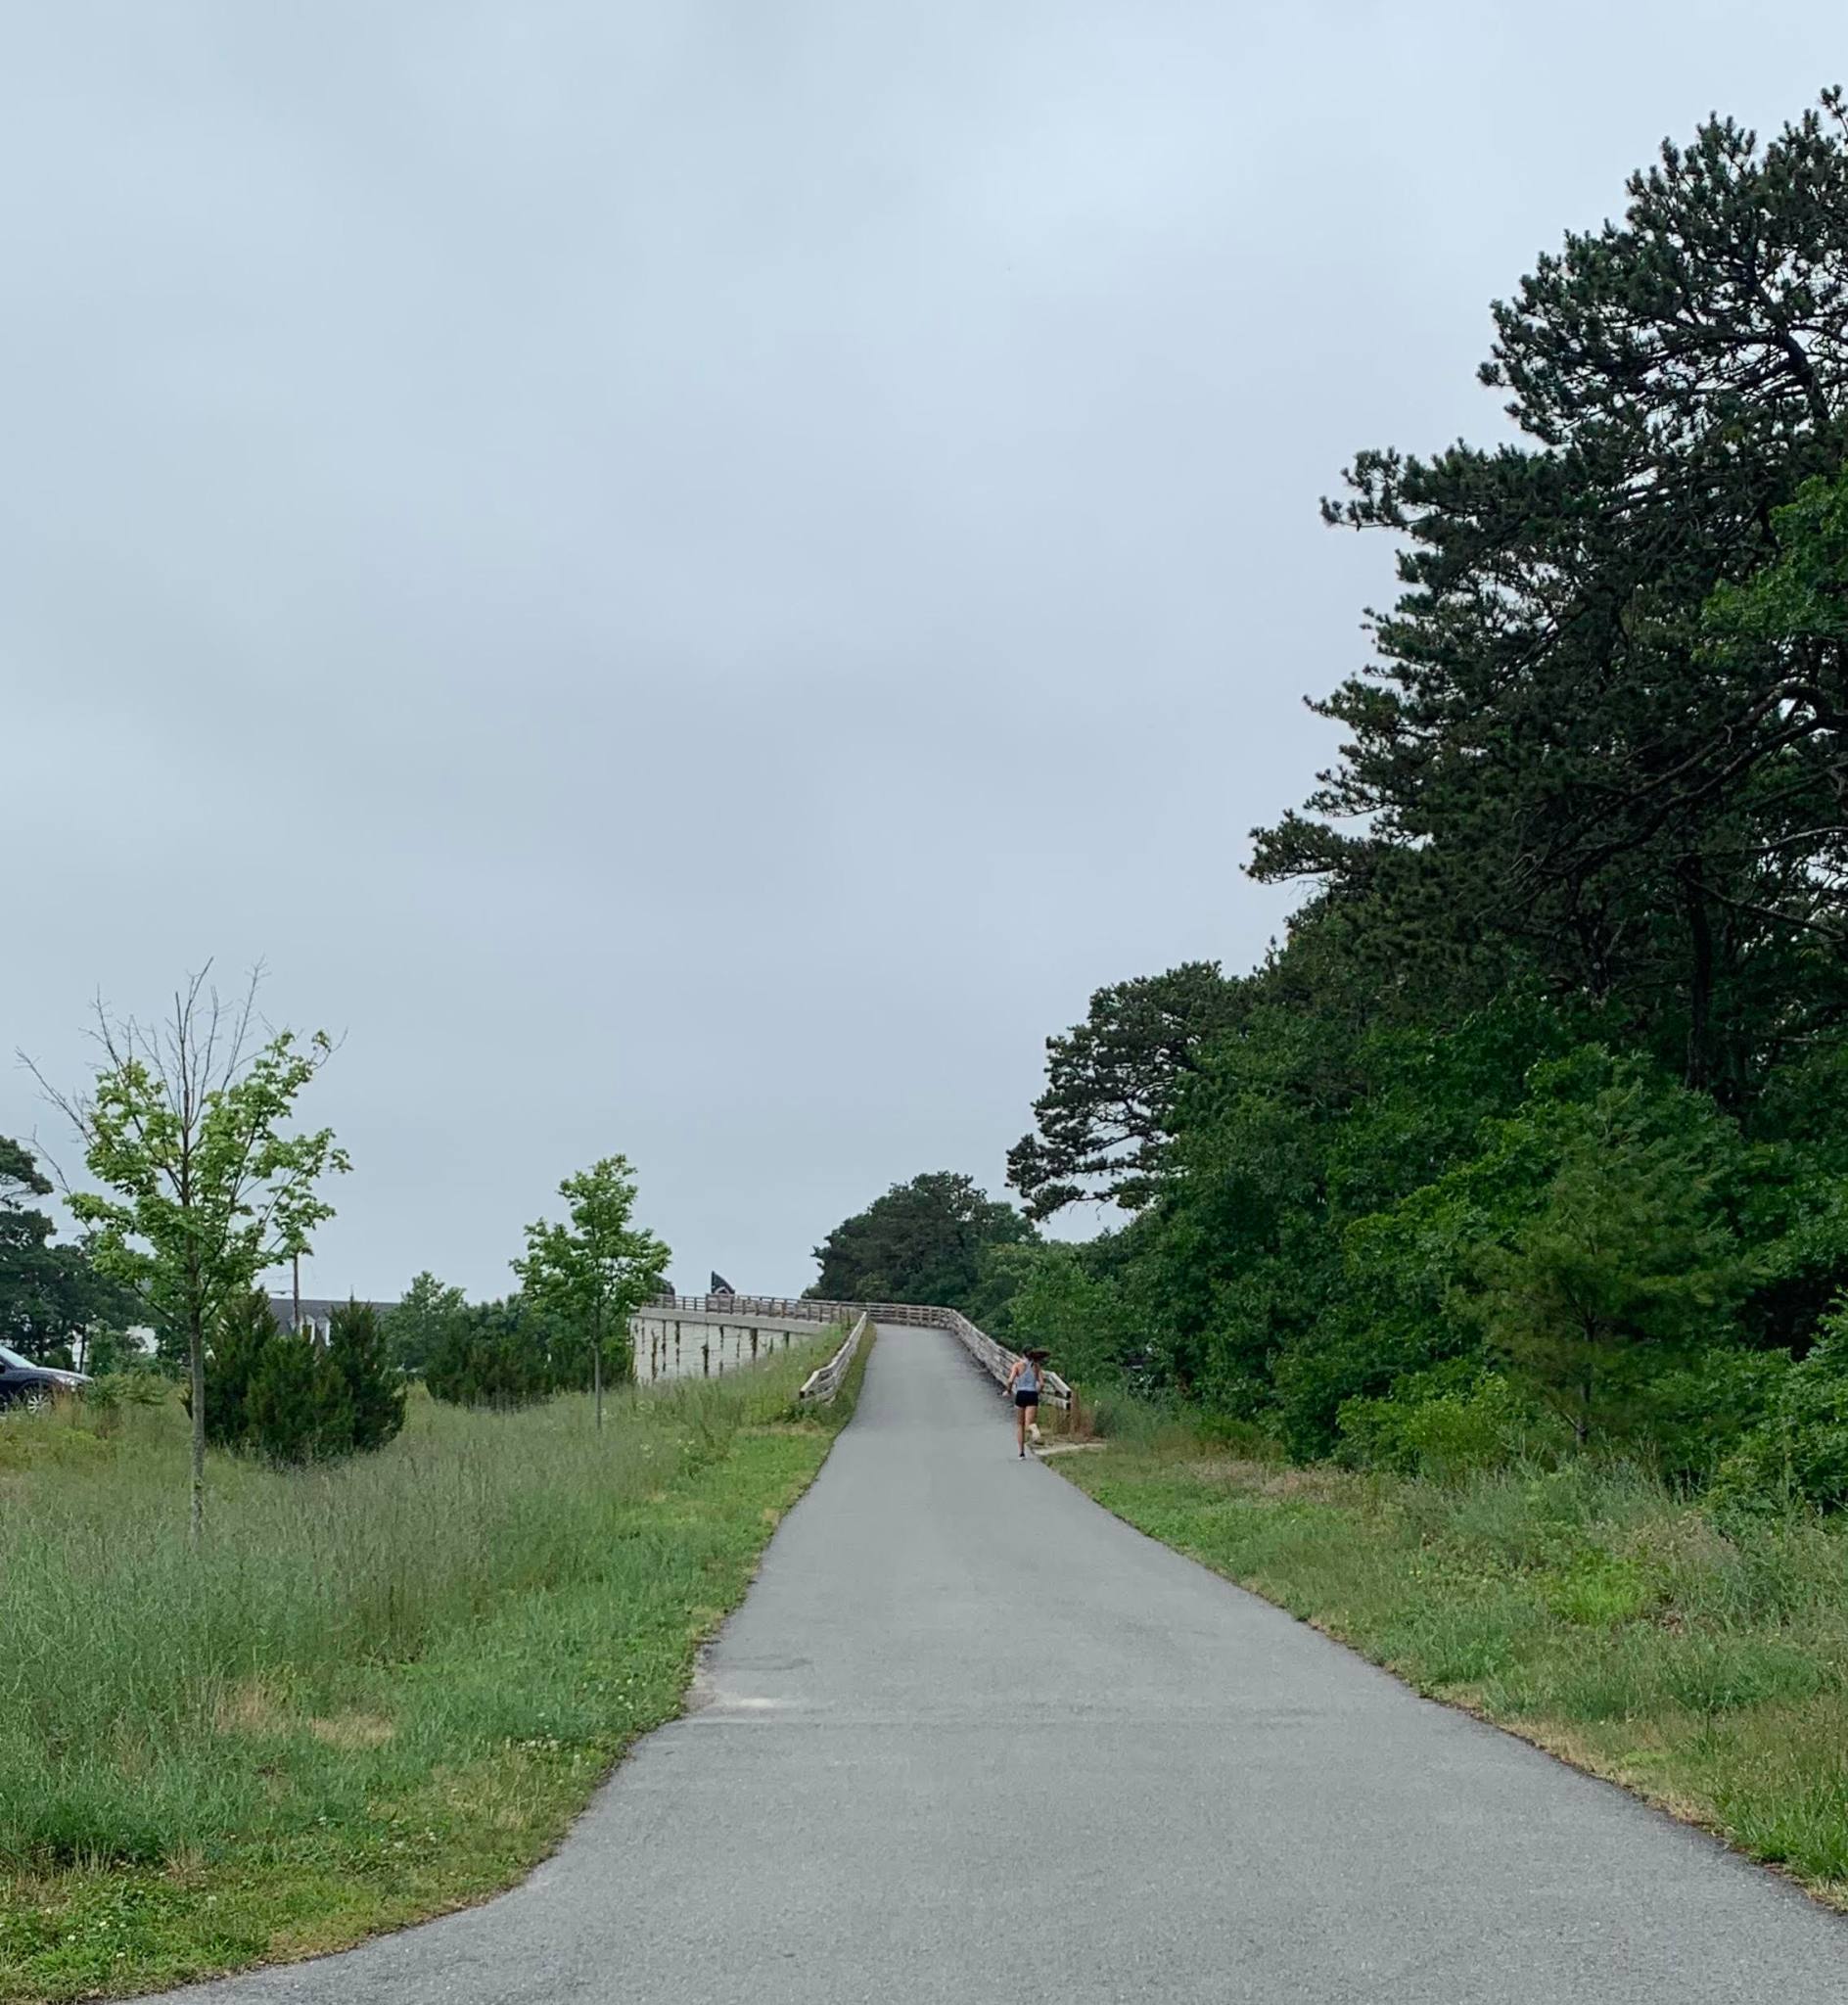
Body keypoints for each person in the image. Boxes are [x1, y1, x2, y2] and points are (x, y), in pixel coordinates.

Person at [1005, 1348, 1048, 1458]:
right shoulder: (1036, 1366)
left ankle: (1021, 1453)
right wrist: (1037, 1393)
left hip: (1021, 1394)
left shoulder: (1017, 1365)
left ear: (1022, 1354)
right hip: (1032, 1394)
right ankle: (1034, 1430)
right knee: (1030, 1423)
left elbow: (1010, 1380)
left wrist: (1008, 1391)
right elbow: (1042, 1384)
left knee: (1020, 1424)